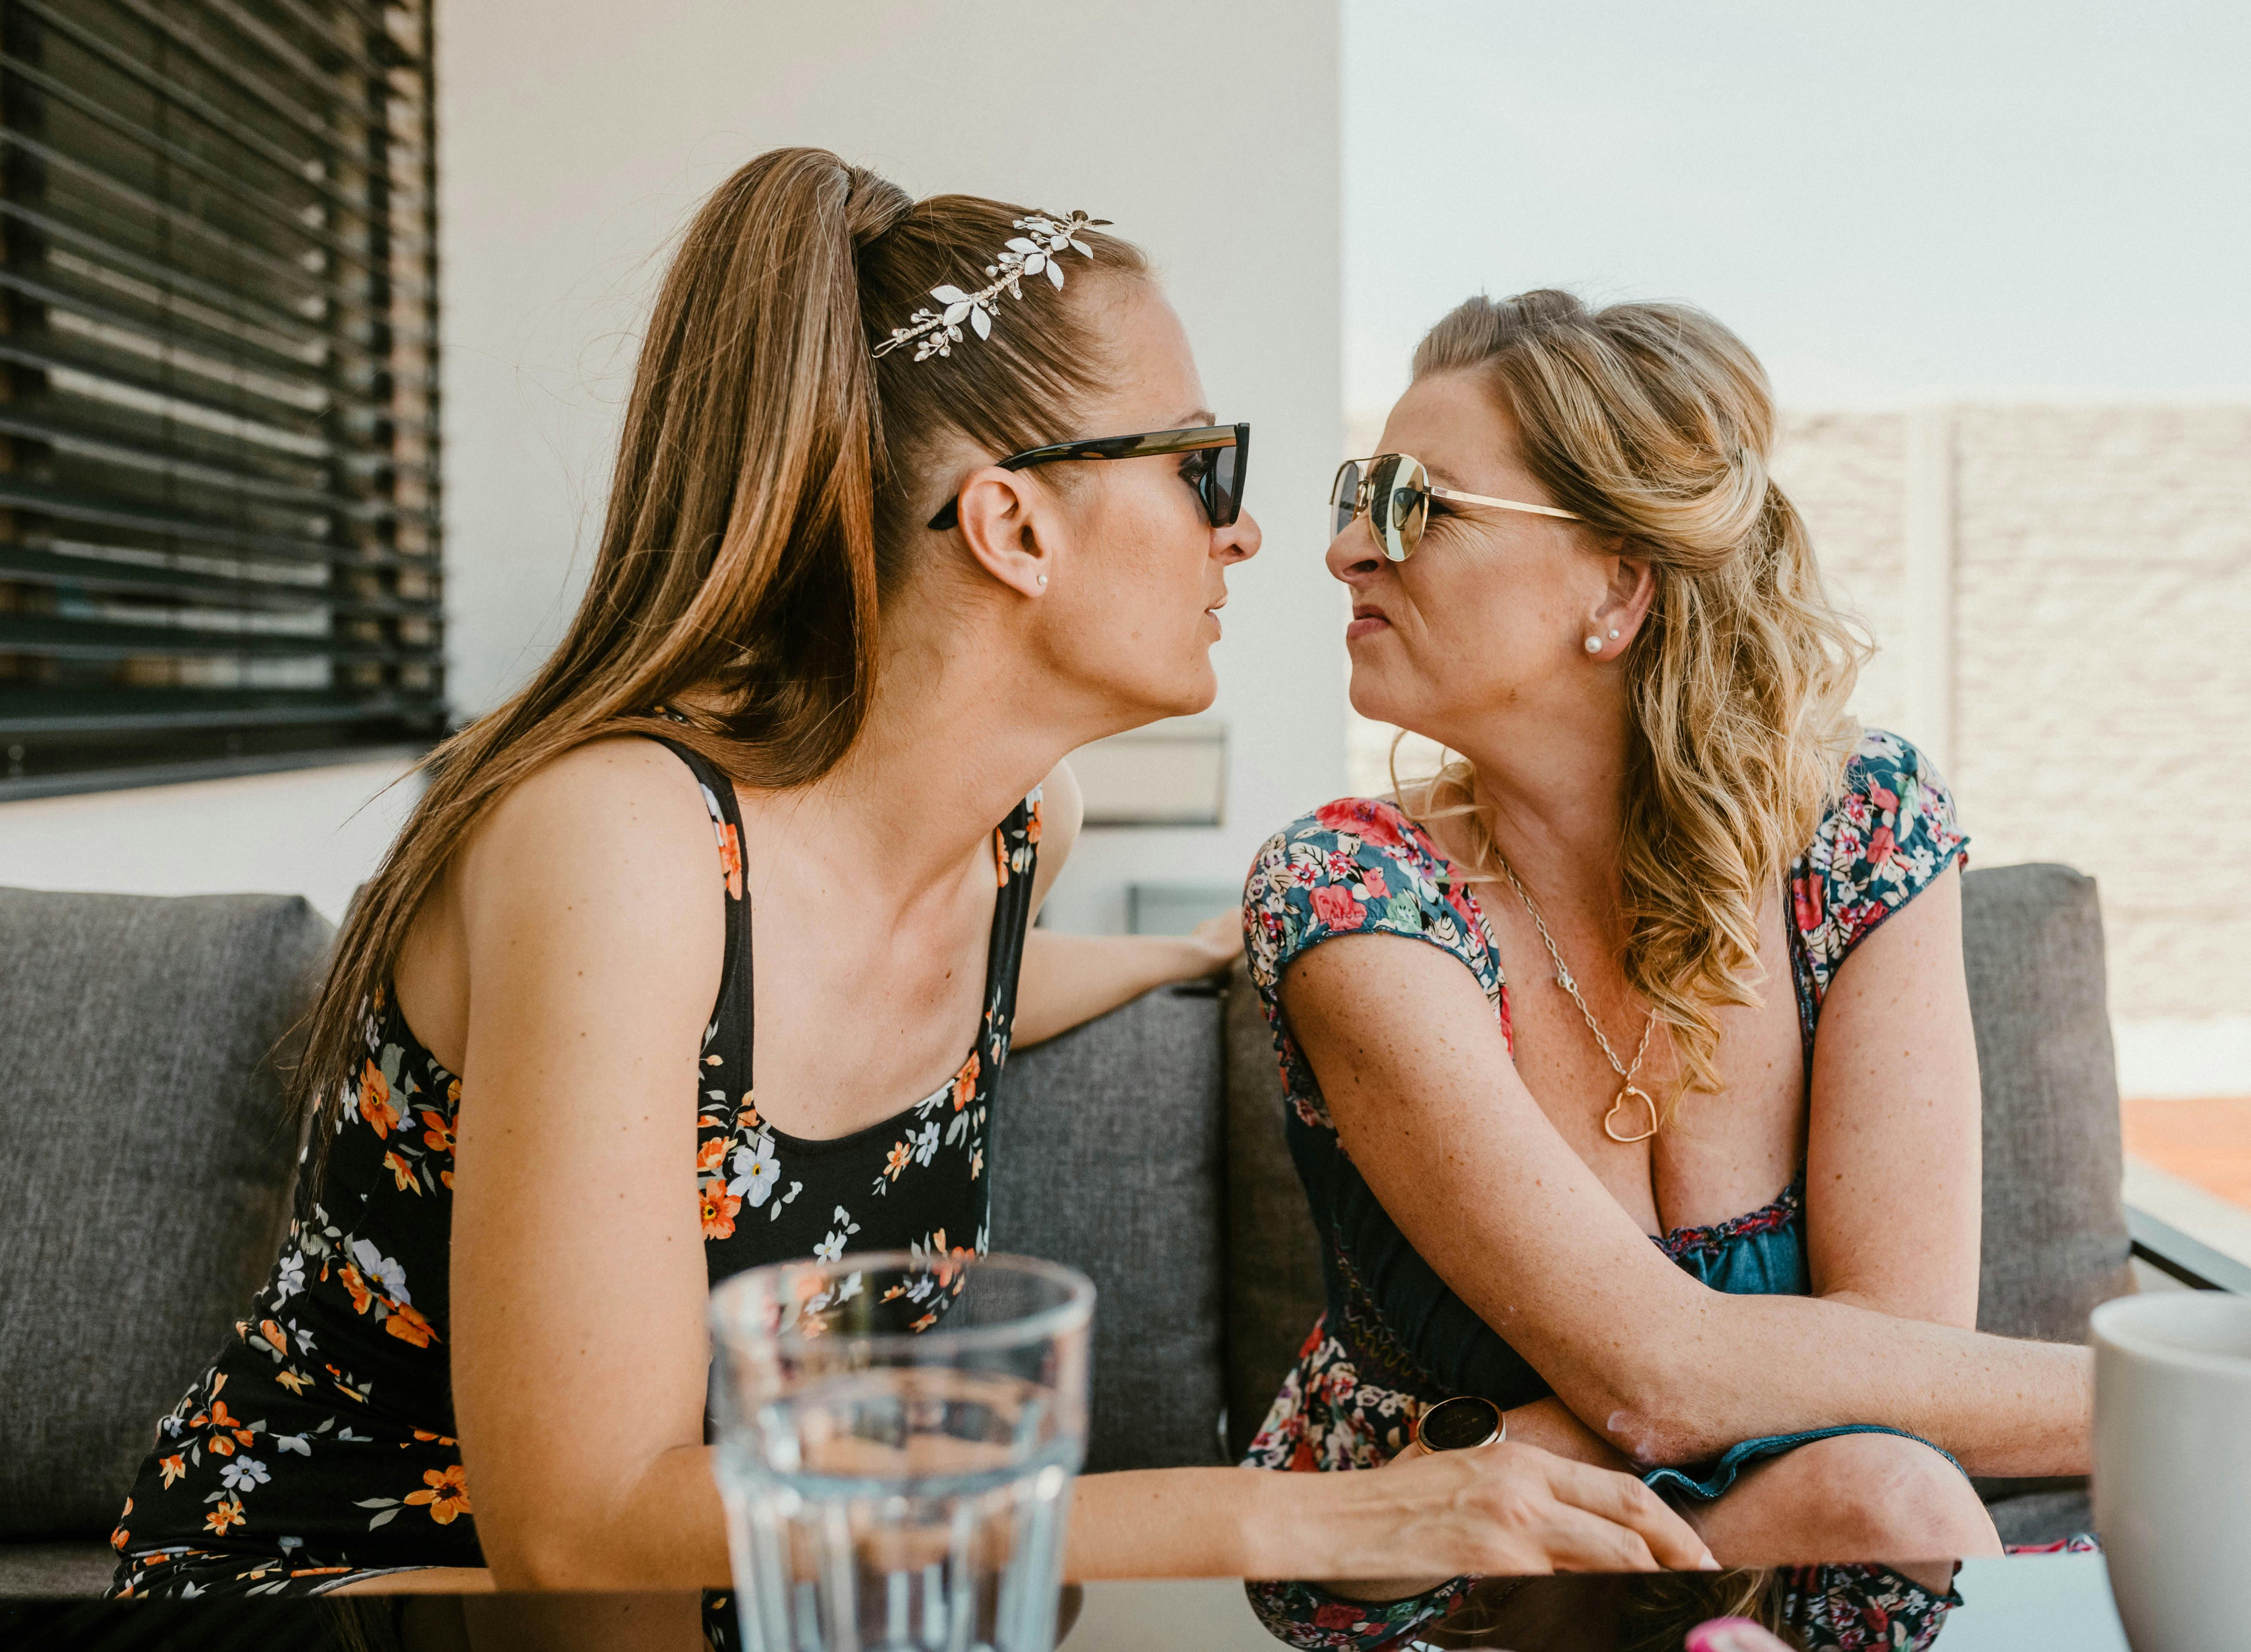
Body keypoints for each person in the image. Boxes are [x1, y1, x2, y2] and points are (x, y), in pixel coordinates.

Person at [105, 154, 1708, 1641]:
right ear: (1013, 525)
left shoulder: (1015, 839)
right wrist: (1331, 1514)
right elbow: (581, 1524)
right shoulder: (619, 849)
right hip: (358, 1602)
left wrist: (1195, 951)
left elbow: (884, 1008)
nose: (1248, 528)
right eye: (1202, 466)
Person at [1237, 290, 2097, 1642]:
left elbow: (1906, 1352)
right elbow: (1669, 1378)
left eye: (1416, 504)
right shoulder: (1349, 891)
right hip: (1452, 1569)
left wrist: (1561, 1421)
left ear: (1619, 586)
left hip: (1797, 1508)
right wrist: (2171, 1403)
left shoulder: (1864, 830)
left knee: (1890, 1488)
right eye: (1362, 494)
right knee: (1889, 1486)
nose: (1347, 547)